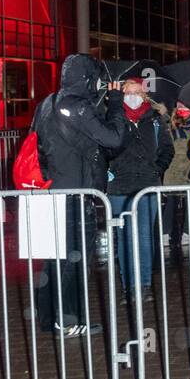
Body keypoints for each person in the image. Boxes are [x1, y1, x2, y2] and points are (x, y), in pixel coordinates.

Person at [32, 54, 128, 336]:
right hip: (74, 194)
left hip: (52, 190)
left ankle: (50, 317)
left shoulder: (47, 103)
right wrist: (116, 106)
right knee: (74, 259)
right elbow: (114, 139)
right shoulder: (77, 106)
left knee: (55, 257)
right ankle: (68, 320)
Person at [106, 79, 173, 302]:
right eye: (128, 92)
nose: (132, 96)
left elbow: (167, 149)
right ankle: (128, 287)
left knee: (144, 237)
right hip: (119, 187)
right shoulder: (112, 118)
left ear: (144, 96)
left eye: (137, 92)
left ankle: (143, 285)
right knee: (124, 237)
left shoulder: (154, 119)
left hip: (147, 185)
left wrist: (156, 169)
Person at [161, 104, 190, 253]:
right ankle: (165, 233)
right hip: (173, 169)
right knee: (170, 202)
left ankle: (187, 233)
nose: (180, 108)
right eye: (178, 105)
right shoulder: (171, 124)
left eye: (184, 105)